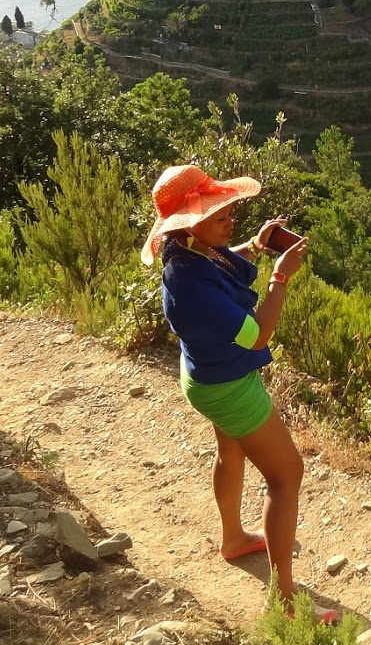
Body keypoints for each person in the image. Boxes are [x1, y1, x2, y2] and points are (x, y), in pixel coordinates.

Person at [140, 163, 334, 621]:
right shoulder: (192, 284)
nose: (231, 221)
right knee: (286, 476)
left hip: (204, 375)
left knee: (231, 450)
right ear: (192, 224)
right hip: (228, 386)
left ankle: (233, 540)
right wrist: (279, 278)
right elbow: (256, 336)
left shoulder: (185, 252)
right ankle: (287, 605)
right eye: (221, 216)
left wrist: (258, 245)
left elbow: (221, 266)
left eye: (229, 212)